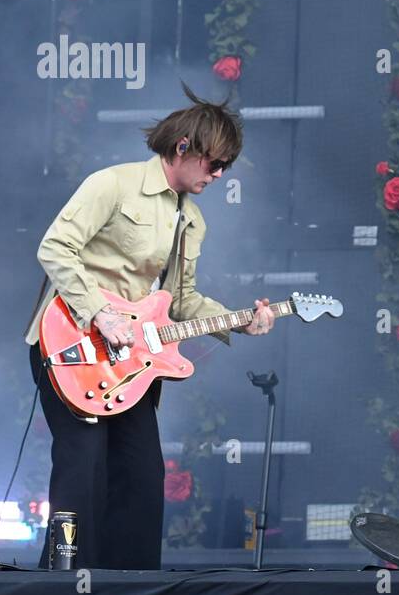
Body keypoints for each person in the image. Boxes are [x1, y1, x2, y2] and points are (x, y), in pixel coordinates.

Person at [24, 85, 277, 569]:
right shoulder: (113, 184)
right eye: (214, 163)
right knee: (83, 467)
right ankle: (62, 591)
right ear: (183, 147)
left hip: (129, 364)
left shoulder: (192, 218)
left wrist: (243, 322)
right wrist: (100, 311)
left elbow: (179, 302)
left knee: (142, 476)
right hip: (71, 342)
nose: (220, 175)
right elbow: (55, 247)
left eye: (226, 167)